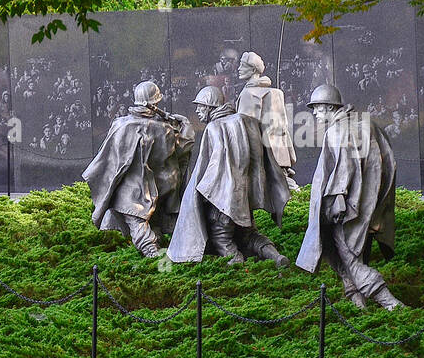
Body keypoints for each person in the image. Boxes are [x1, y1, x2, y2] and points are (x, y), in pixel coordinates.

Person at [296, 85, 403, 309]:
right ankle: (357, 306)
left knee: (351, 259)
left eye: (316, 108)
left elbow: (342, 172)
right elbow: (389, 163)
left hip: (345, 210)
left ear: (328, 107)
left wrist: (337, 205)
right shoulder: (367, 124)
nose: (314, 113)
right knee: (348, 256)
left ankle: (391, 304)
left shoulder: (336, 131)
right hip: (371, 208)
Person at [168, 86, 290, 267]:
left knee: (221, 238)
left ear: (210, 106)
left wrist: (199, 194)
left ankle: (239, 272)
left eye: (200, 107)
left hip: (222, 198)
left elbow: (209, 169)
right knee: (249, 235)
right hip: (246, 197)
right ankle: (276, 256)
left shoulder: (214, 127)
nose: (197, 111)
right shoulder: (249, 121)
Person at [83, 81, 194, 256]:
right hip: (154, 187)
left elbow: (110, 158)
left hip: (137, 188)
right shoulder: (165, 128)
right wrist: (184, 127)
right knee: (142, 220)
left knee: (140, 221)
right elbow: (180, 150)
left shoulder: (122, 124)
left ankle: (154, 257)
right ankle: (155, 256)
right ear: (155, 102)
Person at [236, 51, 299, 190]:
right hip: (279, 155)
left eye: (242, 65)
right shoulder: (275, 92)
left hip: (260, 154)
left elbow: (242, 128)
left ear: (252, 69)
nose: (238, 69)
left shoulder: (248, 94)